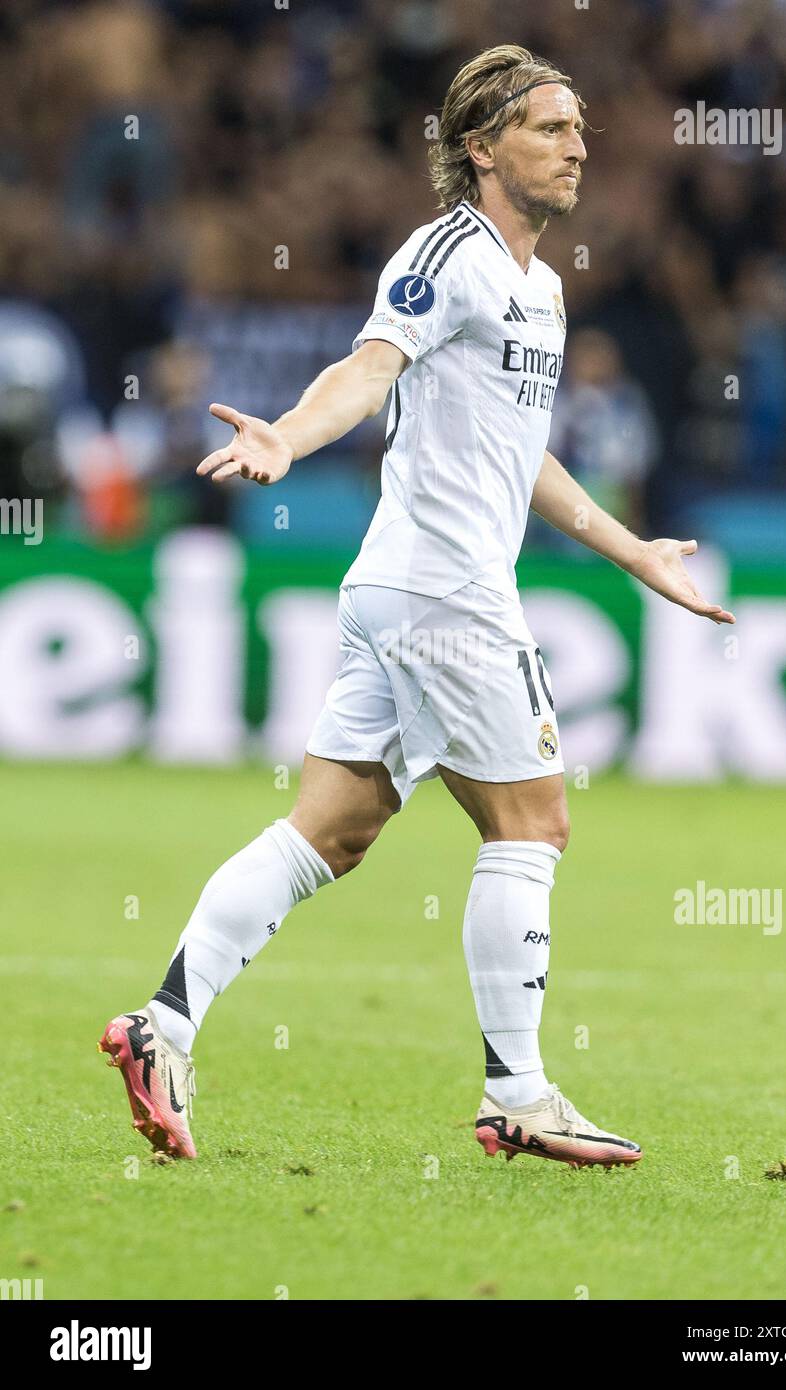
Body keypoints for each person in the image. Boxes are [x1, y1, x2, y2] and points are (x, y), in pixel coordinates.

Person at [99, 44, 734, 1169]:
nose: (578, 143)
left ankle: (163, 1024)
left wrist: (636, 551)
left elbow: (525, 458)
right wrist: (287, 436)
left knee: (331, 831)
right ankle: (519, 1094)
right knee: (533, 822)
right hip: (446, 592)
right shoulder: (447, 253)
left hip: (404, 591)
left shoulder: (540, 287)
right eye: (548, 127)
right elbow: (370, 366)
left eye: (580, 125)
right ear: (481, 146)